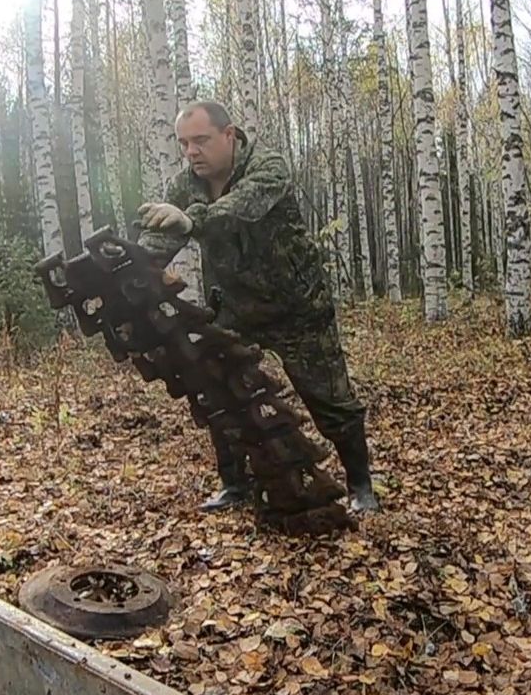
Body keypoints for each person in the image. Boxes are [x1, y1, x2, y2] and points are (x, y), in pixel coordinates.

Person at [136, 100, 380, 515]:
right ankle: (235, 485)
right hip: (233, 309)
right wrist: (132, 271)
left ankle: (361, 486)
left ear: (229, 135)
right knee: (224, 393)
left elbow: (241, 209)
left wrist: (192, 222)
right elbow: (160, 244)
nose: (192, 152)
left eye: (201, 141)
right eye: (184, 144)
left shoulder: (268, 168)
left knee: (331, 400)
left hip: (297, 307)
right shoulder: (184, 186)